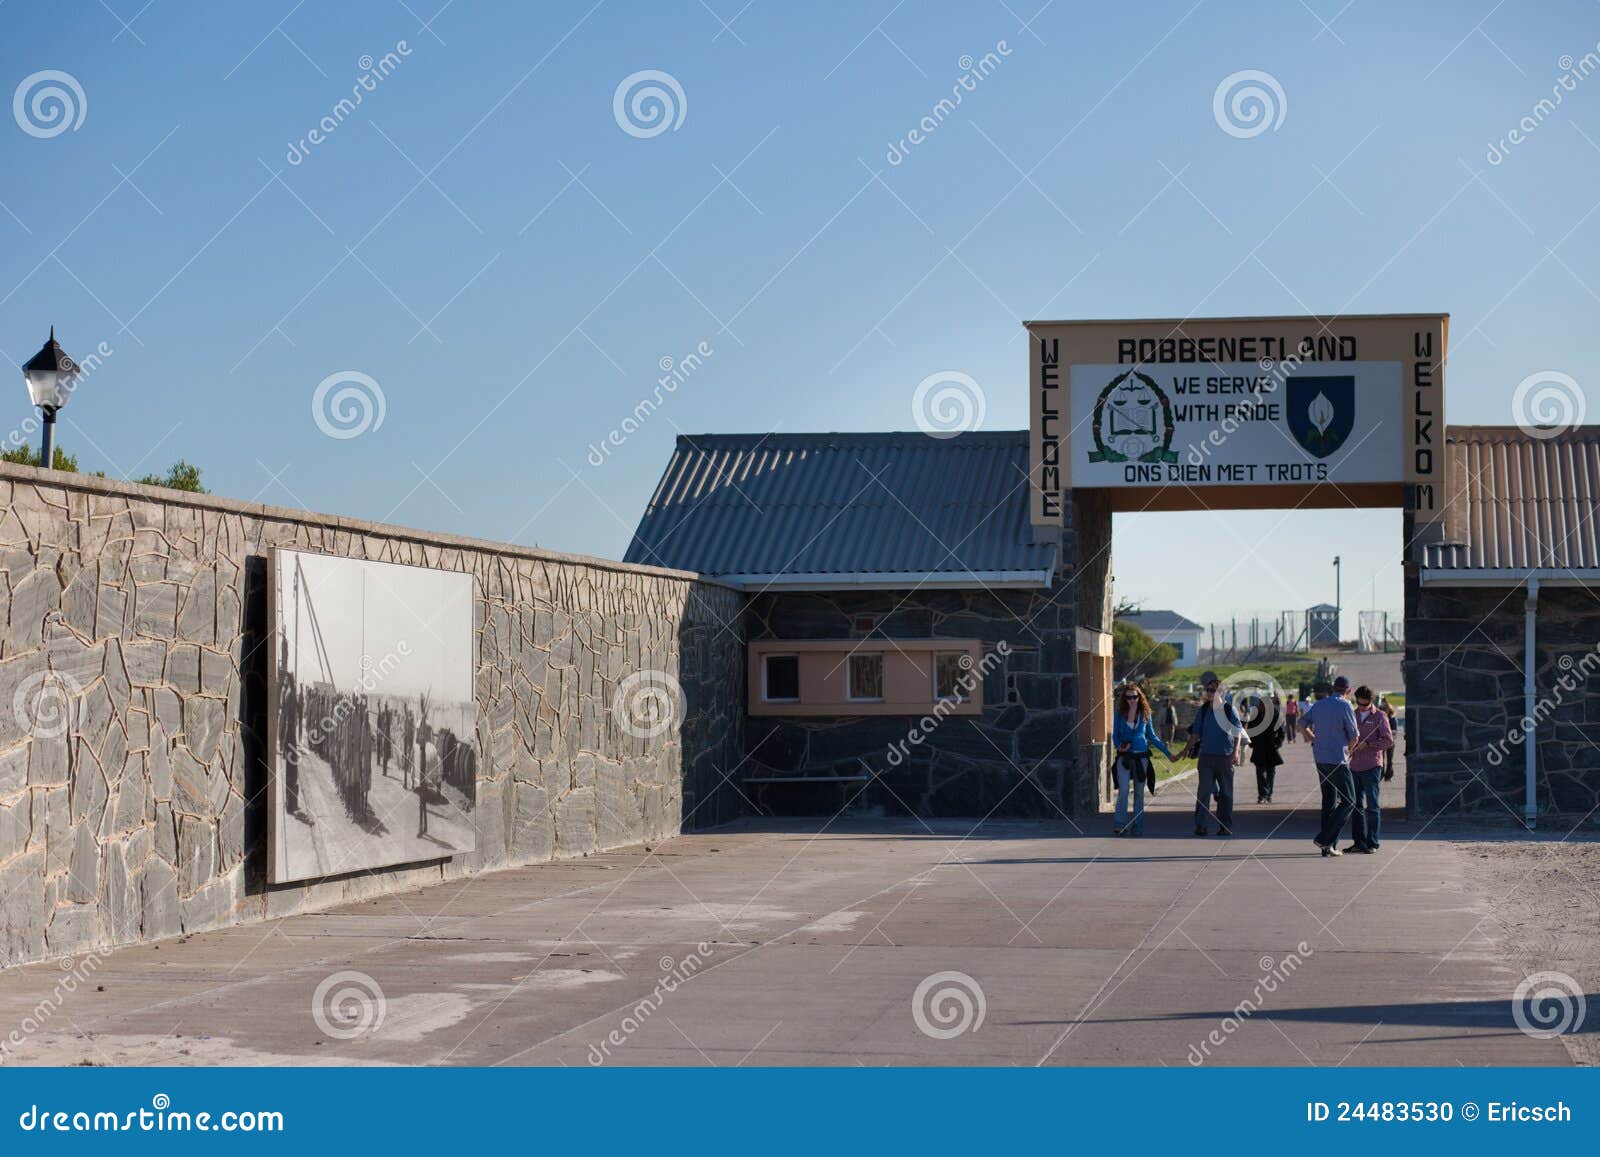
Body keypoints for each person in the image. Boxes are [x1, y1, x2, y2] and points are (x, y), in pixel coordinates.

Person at [1300, 675, 1359, 857]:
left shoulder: (1319, 704)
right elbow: (1354, 735)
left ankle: (1328, 846)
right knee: (1349, 800)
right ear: (1348, 691)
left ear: (1333, 688)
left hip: (1321, 758)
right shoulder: (1345, 705)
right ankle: (1325, 839)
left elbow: (1301, 724)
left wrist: (1314, 740)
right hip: (1337, 759)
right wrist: (1349, 752)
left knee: (1329, 801)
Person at [1111, 682, 1178, 837]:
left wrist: (1168, 754)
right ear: (1124, 698)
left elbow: (1152, 737)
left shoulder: (1145, 714)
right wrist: (1118, 746)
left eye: (1134, 697)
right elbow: (1115, 735)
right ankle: (1120, 824)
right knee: (1124, 791)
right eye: (1128, 697)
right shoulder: (1119, 714)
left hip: (1141, 757)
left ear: (1139, 697)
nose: (1131, 700)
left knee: (1139, 793)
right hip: (1124, 757)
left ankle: (1138, 826)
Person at [1186, 671, 1240, 837]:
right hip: (1206, 757)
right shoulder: (1203, 711)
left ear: (1221, 693)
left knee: (1225, 794)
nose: (1209, 693)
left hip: (1225, 757)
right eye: (1208, 690)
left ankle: (1225, 826)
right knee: (1204, 792)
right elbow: (1195, 734)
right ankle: (1201, 825)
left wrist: (1235, 752)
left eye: (1213, 690)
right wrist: (1185, 749)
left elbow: (1238, 732)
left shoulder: (1229, 710)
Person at [1346, 685, 1395, 853]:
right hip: (1354, 766)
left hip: (1372, 765)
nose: (1361, 707)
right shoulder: (1352, 714)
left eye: (1364, 704)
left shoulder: (1380, 716)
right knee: (1355, 805)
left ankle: (1372, 842)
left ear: (1371, 702)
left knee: (1372, 806)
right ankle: (1358, 842)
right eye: (1359, 704)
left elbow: (1388, 741)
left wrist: (1368, 744)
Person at [1247, 693, 1285, 804]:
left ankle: (1268, 794)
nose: (1261, 705)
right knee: (1260, 772)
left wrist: (1277, 743)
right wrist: (1252, 743)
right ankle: (1262, 795)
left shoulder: (1275, 715)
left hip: (1271, 748)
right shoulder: (1255, 715)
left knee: (1271, 772)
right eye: (1260, 703)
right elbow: (1250, 730)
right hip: (1259, 748)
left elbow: (1281, 732)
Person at [1380, 697, 1397, 782]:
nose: (1384, 711)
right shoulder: (1380, 718)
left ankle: (1389, 775)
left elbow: (1394, 732)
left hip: (1390, 742)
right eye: (1382, 709)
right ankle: (1381, 774)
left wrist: (1389, 739)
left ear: (1389, 710)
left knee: (1390, 760)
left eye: (1385, 709)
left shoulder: (1393, 719)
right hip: (1382, 741)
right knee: (1381, 759)